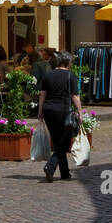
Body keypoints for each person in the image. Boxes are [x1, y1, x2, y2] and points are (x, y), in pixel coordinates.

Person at [36, 51, 83, 182]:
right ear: (68, 62)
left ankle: (65, 173)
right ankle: (50, 167)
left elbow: (42, 94)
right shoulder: (70, 76)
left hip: (49, 111)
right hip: (63, 111)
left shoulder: (48, 75)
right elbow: (75, 97)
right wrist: (80, 113)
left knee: (57, 141)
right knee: (65, 141)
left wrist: (40, 110)